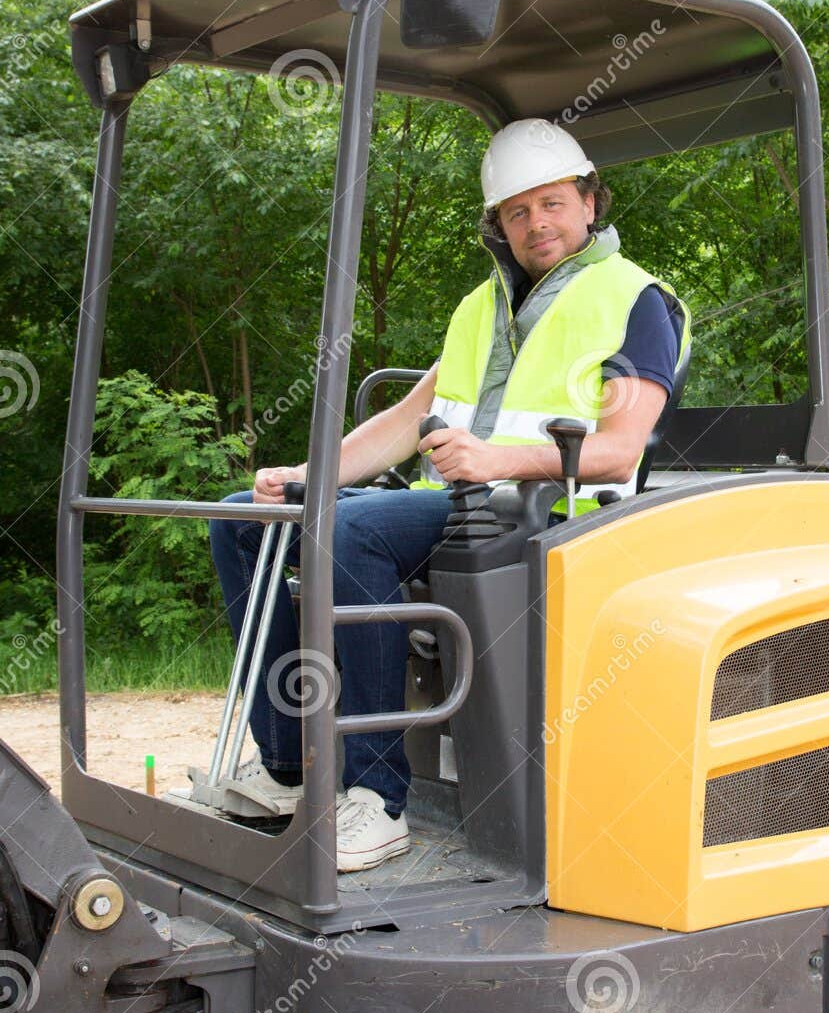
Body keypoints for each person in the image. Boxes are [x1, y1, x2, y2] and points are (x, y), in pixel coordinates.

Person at [203, 120, 689, 872]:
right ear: (497, 225)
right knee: (244, 520)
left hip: (556, 514)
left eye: (552, 203)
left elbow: (619, 447)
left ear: (590, 203)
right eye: (517, 212)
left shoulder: (632, 299)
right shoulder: (481, 308)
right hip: (460, 506)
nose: (537, 224)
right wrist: (306, 477)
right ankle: (285, 766)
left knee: (351, 534)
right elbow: (403, 423)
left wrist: (496, 457)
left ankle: (375, 797)